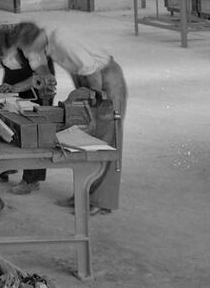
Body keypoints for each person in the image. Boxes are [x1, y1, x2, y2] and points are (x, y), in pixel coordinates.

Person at [7, 21, 126, 212]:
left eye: (26, 48)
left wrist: (91, 102)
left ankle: (101, 202)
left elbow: (92, 71)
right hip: (85, 77)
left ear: (34, 40)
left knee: (105, 140)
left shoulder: (62, 39)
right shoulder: (41, 43)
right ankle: (83, 195)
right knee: (88, 140)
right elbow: (41, 70)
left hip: (105, 79)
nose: (27, 53)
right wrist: (18, 87)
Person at [0, 22, 58, 192]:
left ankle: (32, 180)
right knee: (3, 118)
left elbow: (42, 75)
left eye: (4, 54)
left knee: (36, 130)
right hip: (12, 78)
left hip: (39, 81)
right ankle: (6, 167)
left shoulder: (28, 44)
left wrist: (16, 88)